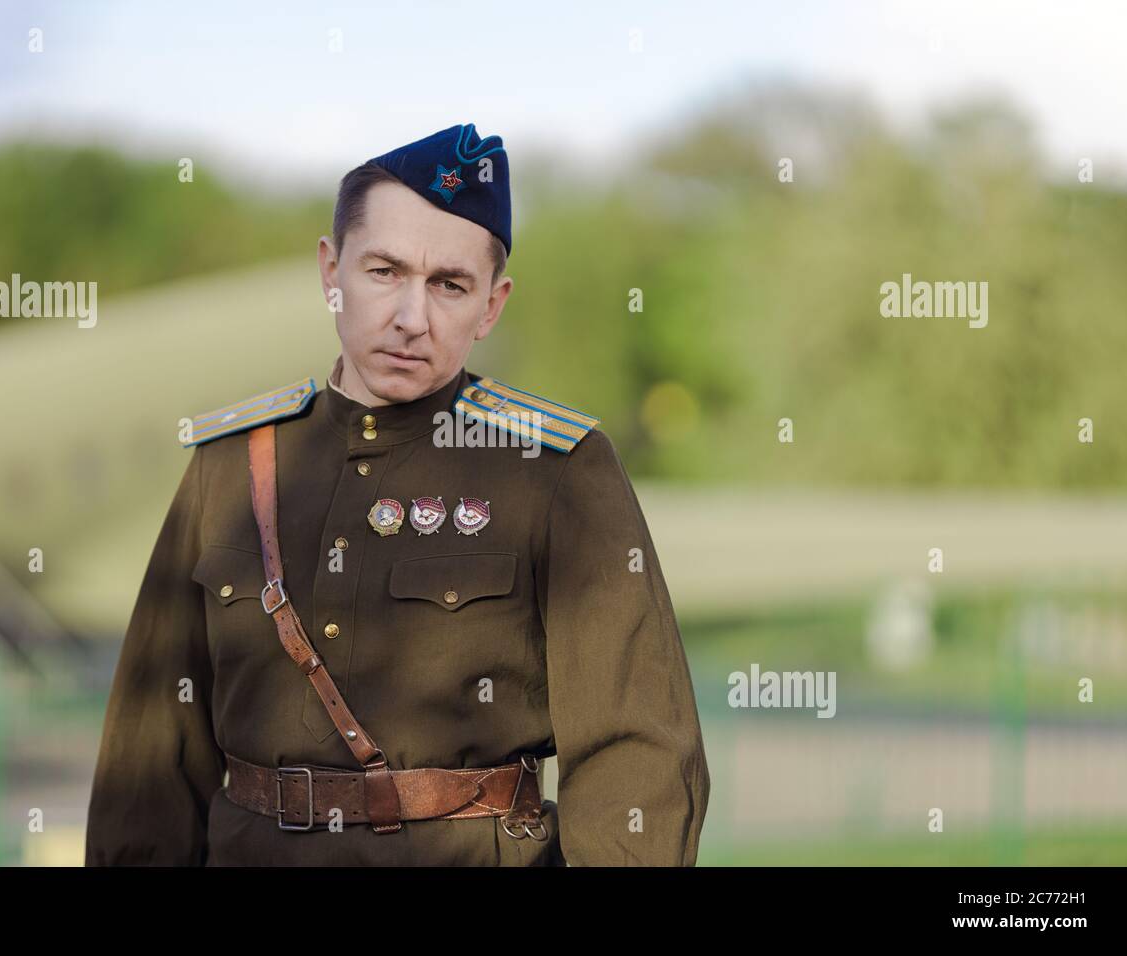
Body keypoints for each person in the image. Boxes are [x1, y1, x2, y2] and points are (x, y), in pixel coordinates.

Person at [85, 123, 709, 866]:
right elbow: (151, 750)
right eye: (384, 272)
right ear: (330, 271)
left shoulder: (553, 468)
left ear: (492, 305)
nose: (412, 318)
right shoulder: (229, 464)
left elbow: (635, 749)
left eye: (449, 285)